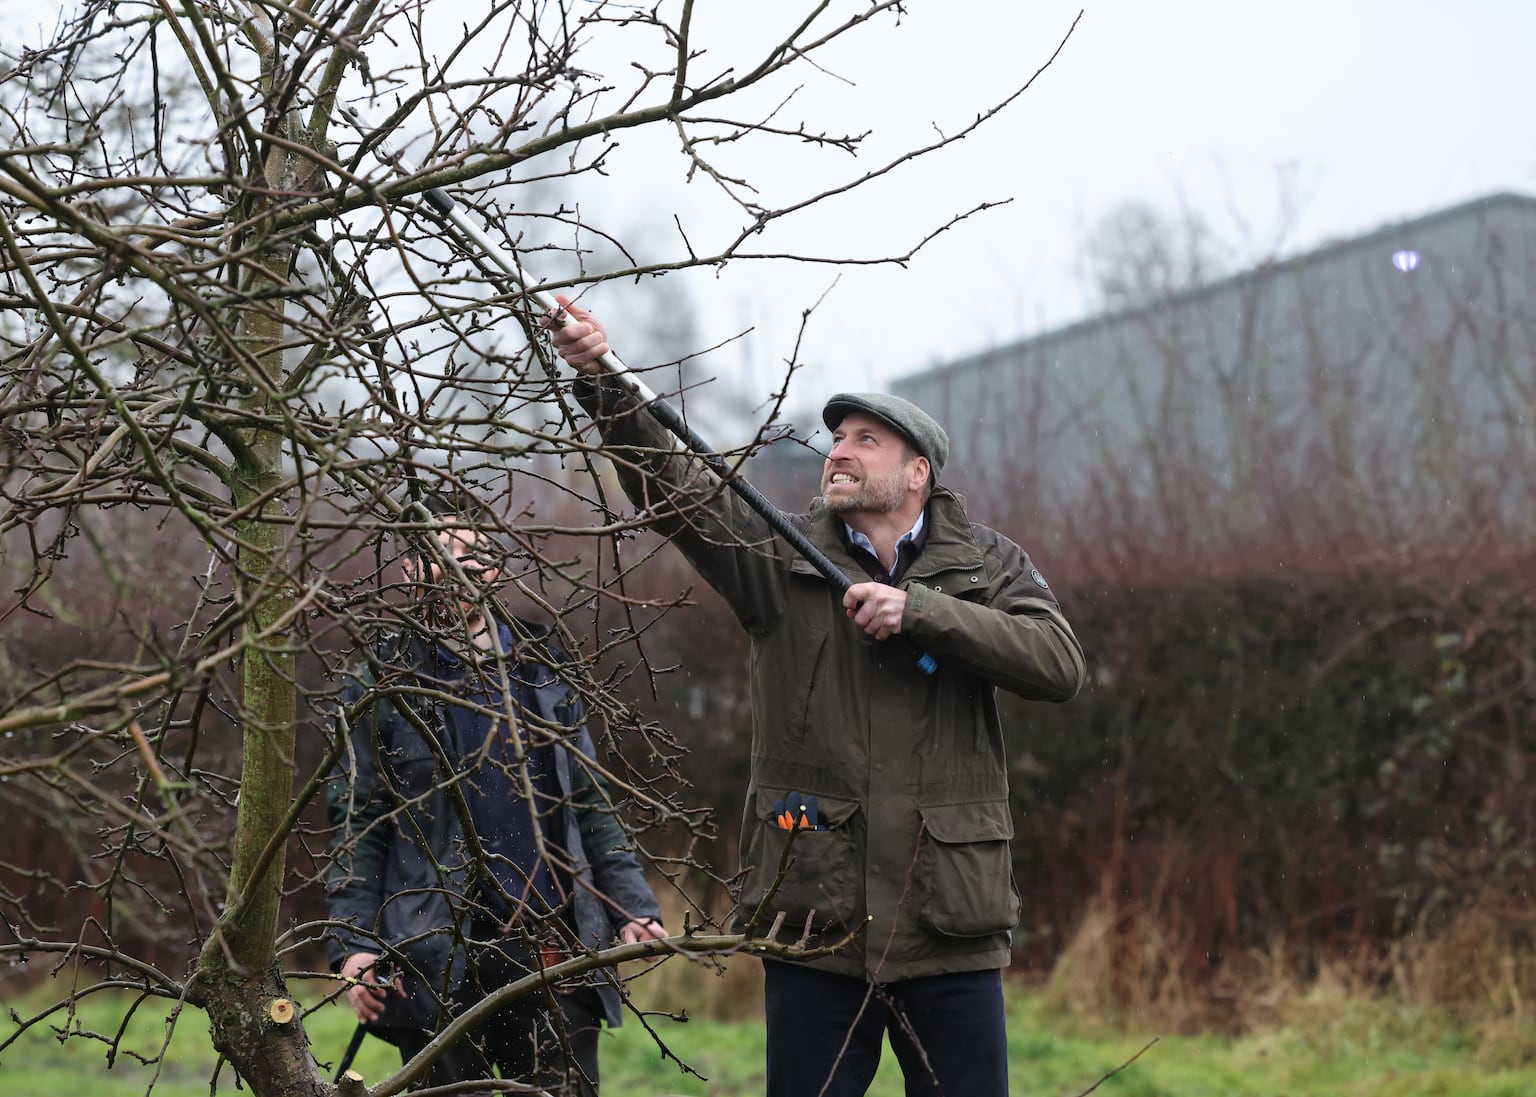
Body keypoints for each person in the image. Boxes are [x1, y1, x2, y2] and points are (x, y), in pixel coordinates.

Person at [547, 298, 1086, 1097]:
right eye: (837, 437)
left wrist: (924, 613)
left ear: (917, 472)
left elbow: (1058, 663)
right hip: (814, 927)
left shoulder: (989, 565)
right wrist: (602, 381)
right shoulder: (779, 556)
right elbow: (674, 487)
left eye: (867, 439)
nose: (840, 451)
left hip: (950, 930)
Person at [326, 491, 667, 1094]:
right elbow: (359, 820)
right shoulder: (379, 684)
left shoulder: (543, 670)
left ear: (497, 567)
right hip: (434, 956)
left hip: (551, 944)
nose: (457, 571)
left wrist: (631, 905)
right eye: (438, 555)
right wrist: (353, 945)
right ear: (409, 570)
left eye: (471, 555)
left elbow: (587, 799)